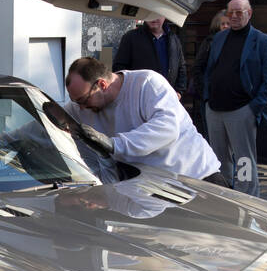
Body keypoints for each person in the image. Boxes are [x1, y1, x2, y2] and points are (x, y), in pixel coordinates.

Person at [62, 57, 223, 183]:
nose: (81, 108)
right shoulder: (79, 107)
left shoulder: (146, 83)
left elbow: (167, 129)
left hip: (197, 178)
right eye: (76, 102)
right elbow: (49, 122)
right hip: (153, 191)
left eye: (83, 100)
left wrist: (114, 144)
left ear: (102, 85)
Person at [202, 0, 267, 196]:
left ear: (249, 13)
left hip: (242, 110)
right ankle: (224, 197)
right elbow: (210, 70)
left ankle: (246, 199)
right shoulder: (219, 38)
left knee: (244, 160)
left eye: (239, 12)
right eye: (230, 12)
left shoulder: (263, 41)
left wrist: (252, 109)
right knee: (218, 159)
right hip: (215, 109)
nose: (234, 16)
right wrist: (207, 98)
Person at [113, 17, 187, 93]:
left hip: (167, 98)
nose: (153, 18)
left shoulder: (173, 39)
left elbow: (181, 67)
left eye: (157, 14)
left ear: (164, 16)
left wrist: (179, 91)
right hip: (140, 98)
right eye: (151, 13)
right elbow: (119, 68)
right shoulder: (131, 37)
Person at [187, 9, 227, 140]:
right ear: (217, 25)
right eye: (223, 24)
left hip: (230, 98)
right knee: (212, 136)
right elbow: (197, 68)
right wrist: (205, 93)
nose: (226, 27)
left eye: (228, 24)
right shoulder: (210, 42)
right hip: (210, 98)